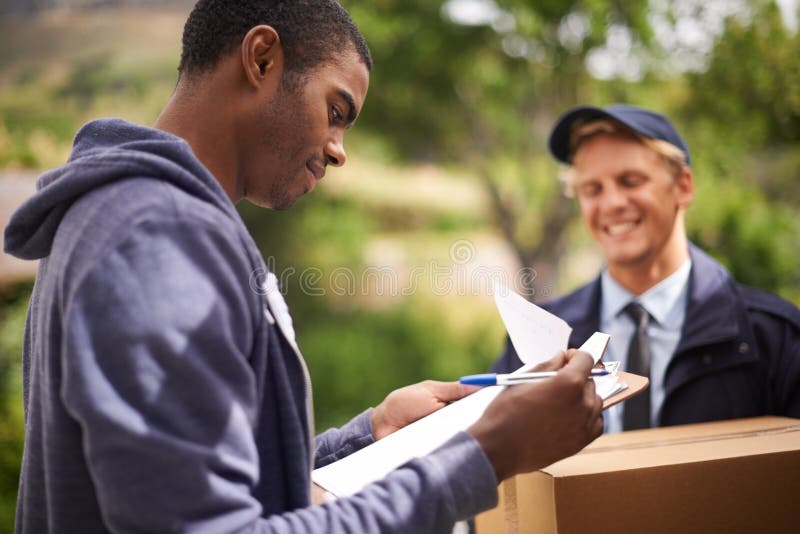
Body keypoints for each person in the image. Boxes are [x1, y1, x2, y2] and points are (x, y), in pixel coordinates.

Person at [4, 1, 604, 532]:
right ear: (262, 58)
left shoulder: (129, 215)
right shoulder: (157, 240)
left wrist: (367, 435)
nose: (341, 149)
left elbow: (207, 480)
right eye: (336, 110)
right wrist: (488, 453)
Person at [491, 104, 800, 433]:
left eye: (631, 181)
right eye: (592, 189)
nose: (611, 204)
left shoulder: (770, 336)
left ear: (682, 186)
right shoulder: (538, 340)